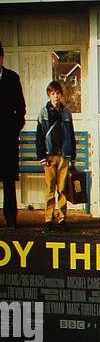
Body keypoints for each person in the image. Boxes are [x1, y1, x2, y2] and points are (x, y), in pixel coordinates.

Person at [35, 80, 76, 230]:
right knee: (50, 188)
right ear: (49, 95)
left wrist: (73, 156)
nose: (56, 96)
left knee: (63, 188)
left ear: (61, 95)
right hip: (49, 156)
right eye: (53, 94)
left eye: (58, 93)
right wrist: (41, 156)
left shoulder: (66, 112)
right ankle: (48, 218)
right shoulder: (43, 113)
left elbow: (71, 134)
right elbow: (39, 136)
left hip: (64, 155)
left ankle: (62, 218)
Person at [0, 42, 26, 229]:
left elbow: (21, 109)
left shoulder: (12, 78)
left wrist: (13, 129)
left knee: (9, 181)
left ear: (2, 58)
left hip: (8, 140)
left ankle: (11, 220)